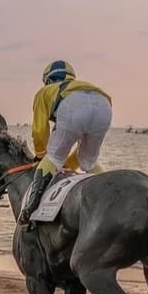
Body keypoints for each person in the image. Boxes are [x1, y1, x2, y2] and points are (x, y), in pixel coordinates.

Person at [18, 60, 113, 225]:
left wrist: (42, 157)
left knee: (52, 157)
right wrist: (67, 166)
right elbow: (76, 154)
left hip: (73, 105)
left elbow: (39, 131)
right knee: (88, 161)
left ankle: (30, 208)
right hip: (105, 105)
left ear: (47, 80)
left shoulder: (45, 92)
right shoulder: (78, 86)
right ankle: (109, 196)